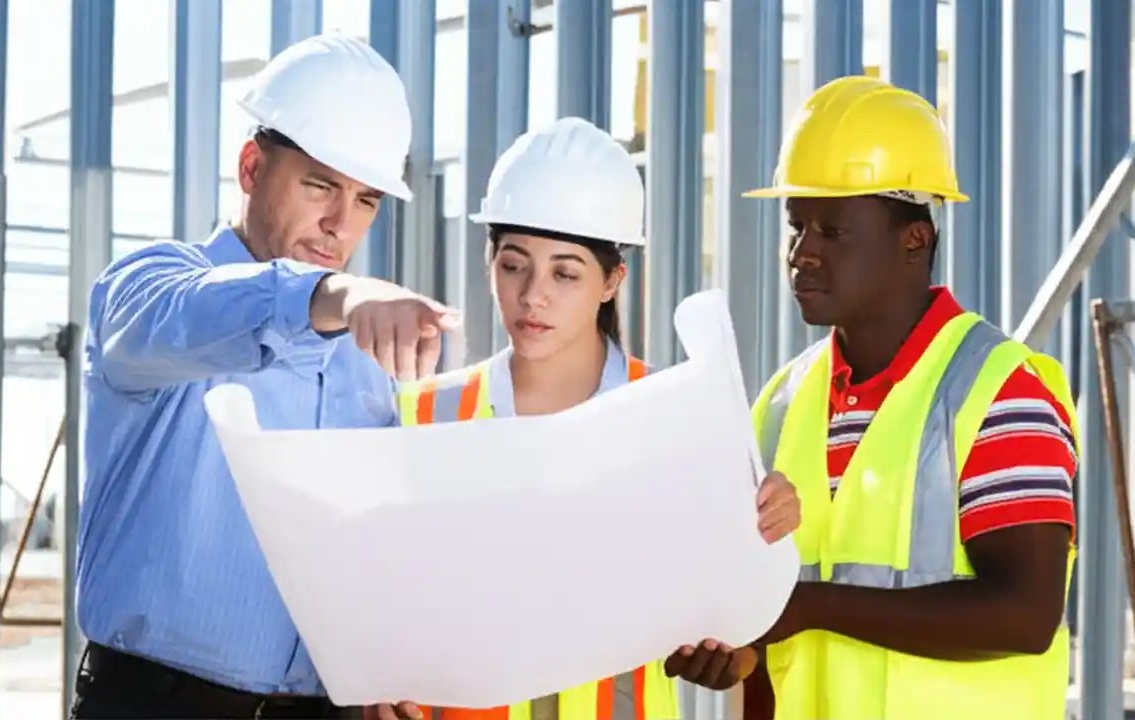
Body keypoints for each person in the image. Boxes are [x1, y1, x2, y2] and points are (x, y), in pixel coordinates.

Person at [71, 34, 450, 720]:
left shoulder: (370, 364)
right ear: (251, 167)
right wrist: (328, 296)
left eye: (365, 200)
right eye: (320, 185)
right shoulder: (150, 290)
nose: (341, 223)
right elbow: (198, 313)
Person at [681, 76, 1079, 719]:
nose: (802, 254)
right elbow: (766, 618)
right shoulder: (781, 404)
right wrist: (737, 649)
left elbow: (1025, 614)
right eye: (797, 226)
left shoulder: (999, 391)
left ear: (913, 240)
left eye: (833, 231)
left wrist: (810, 609)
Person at [394, 116, 802, 720]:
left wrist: (768, 532)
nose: (533, 295)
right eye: (514, 265)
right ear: (489, 263)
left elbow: (733, 636)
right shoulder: (423, 414)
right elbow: (387, 604)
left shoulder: (681, 415)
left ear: (612, 279)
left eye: (565, 272)